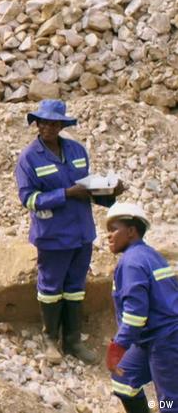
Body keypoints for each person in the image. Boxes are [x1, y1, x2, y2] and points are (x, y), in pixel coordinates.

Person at [14, 99, 126, 364]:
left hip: (81, 232)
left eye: (54, 123)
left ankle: (73, 341)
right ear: (37, 124)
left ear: (62, 125)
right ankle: (51, 340)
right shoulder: (28, 158)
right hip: (52, 235)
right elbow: (28, 199)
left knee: (75, 288)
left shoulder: (77, 151)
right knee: (51, 288)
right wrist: (65, 194)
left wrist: (110, 192)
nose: (48, 128)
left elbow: (87, 190)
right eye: (43, 123)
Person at [105, 203, 178, 413]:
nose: (109, 236)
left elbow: (135, 316)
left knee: (171, 403)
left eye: (114, 229)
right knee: (123, 380)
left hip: (166, 339)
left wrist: (118, 347)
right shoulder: (149, 255)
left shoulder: (131, 262)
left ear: (131, 231)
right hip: (149, 338)